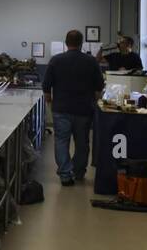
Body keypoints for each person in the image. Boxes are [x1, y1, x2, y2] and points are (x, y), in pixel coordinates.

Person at [43, 29, 105, 185]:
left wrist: (50, 101)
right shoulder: (91, 61)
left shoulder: (56, 60)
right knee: (82, 143)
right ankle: (78, 173)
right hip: (83, 110)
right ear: (81, 43)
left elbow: (46, 85)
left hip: (61, 109)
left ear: (66, 43)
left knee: (61, 141)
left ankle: (65, 174)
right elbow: (99, 87)